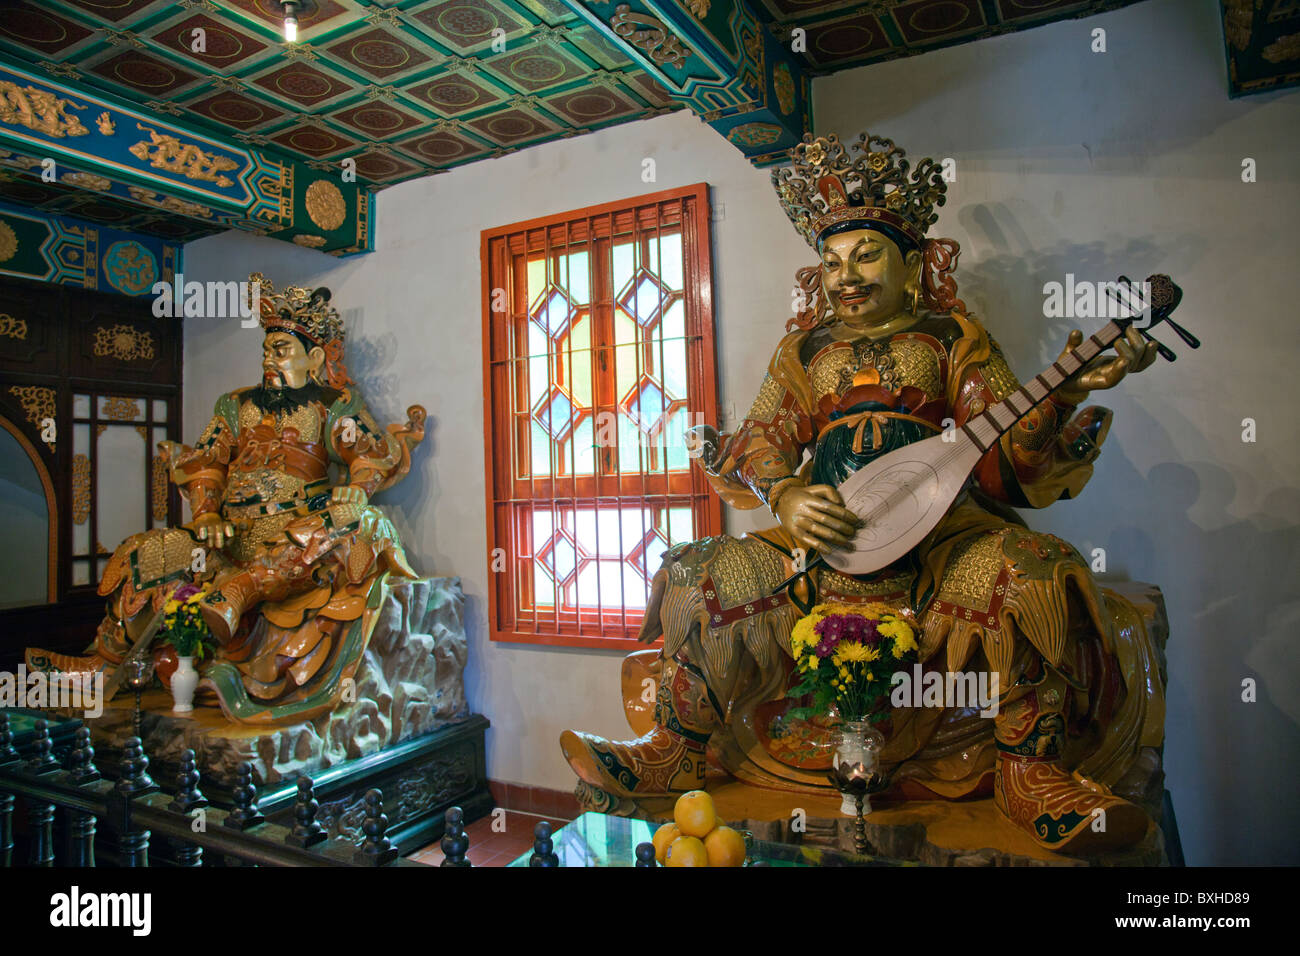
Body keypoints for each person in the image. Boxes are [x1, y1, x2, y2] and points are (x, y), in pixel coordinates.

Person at [562, 132, 1167, 853]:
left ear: (914, 264)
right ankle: (676, 747)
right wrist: (786, 495)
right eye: (831, 261)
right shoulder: (803, 352)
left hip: (940, 543)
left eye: (866, 255)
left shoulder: (953, 338)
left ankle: (1026, 770)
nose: (844, 276)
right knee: (699, 571)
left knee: (1030, 572)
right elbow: (760, 439)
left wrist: (1062, 397)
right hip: (821, 543)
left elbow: (1007, 460)